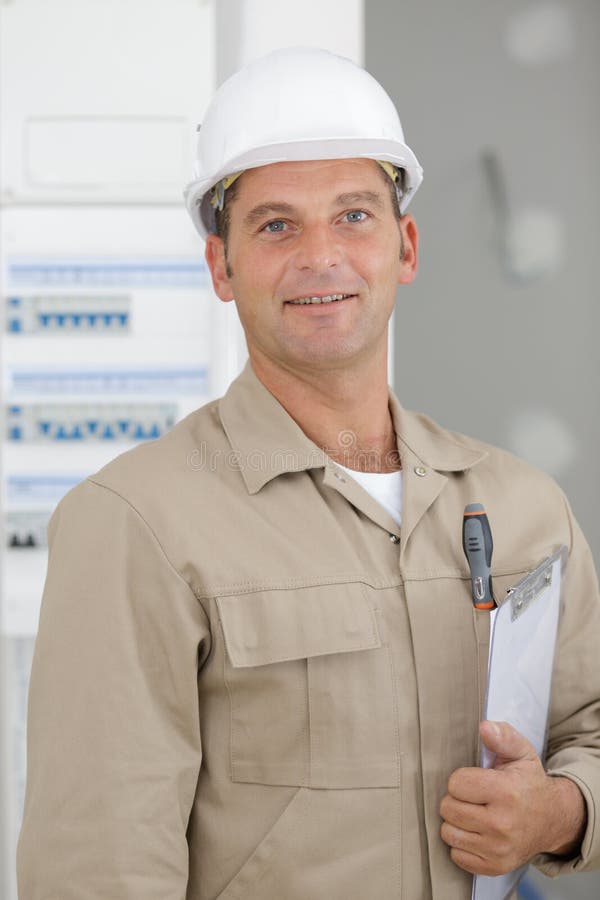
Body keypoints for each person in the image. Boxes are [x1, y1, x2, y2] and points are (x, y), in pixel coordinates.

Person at [17, 47, 600, 900]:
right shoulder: (134, 522)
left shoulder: (520, 507)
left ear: (404, 245)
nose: (321, 256)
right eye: (276, 224)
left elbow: (590, 728)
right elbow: (97, 870)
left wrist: (558, 811)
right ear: (222, 266)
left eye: (354, 215)